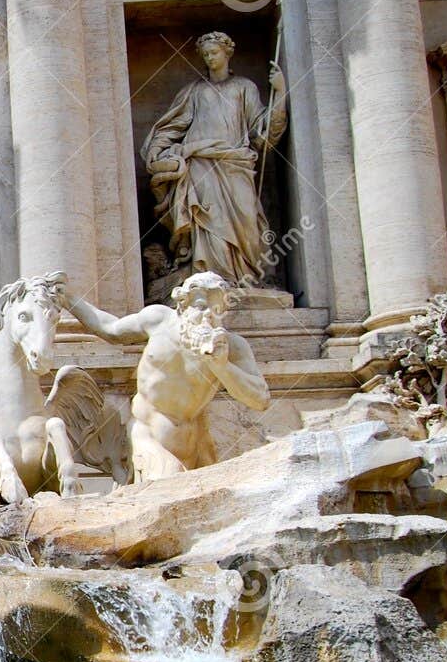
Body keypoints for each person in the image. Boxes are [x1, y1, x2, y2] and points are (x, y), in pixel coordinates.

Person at [61, 271, 270, 483]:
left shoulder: (232, 347)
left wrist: (221, 366)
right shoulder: (158, 320)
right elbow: (110, 329)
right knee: (170, 487)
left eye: (217, 309)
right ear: (183, 304)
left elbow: (260, 399)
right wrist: (68, 298)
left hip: (196, 445)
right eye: (200, 306)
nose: (208, 314)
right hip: (149, 437)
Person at [143, 31, 286, 286]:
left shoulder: (244, 87)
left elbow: (261, 130)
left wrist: (281, 92)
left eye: (214, 53)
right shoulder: (194, 92)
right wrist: (157, 148)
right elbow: (173, 127)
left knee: (248, 225)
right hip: (200, 163)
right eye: (206, 54)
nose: (210, 58)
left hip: (235, 163)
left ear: (227, 53)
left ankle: (245, 276)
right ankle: (213, 281)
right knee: (208, 222)